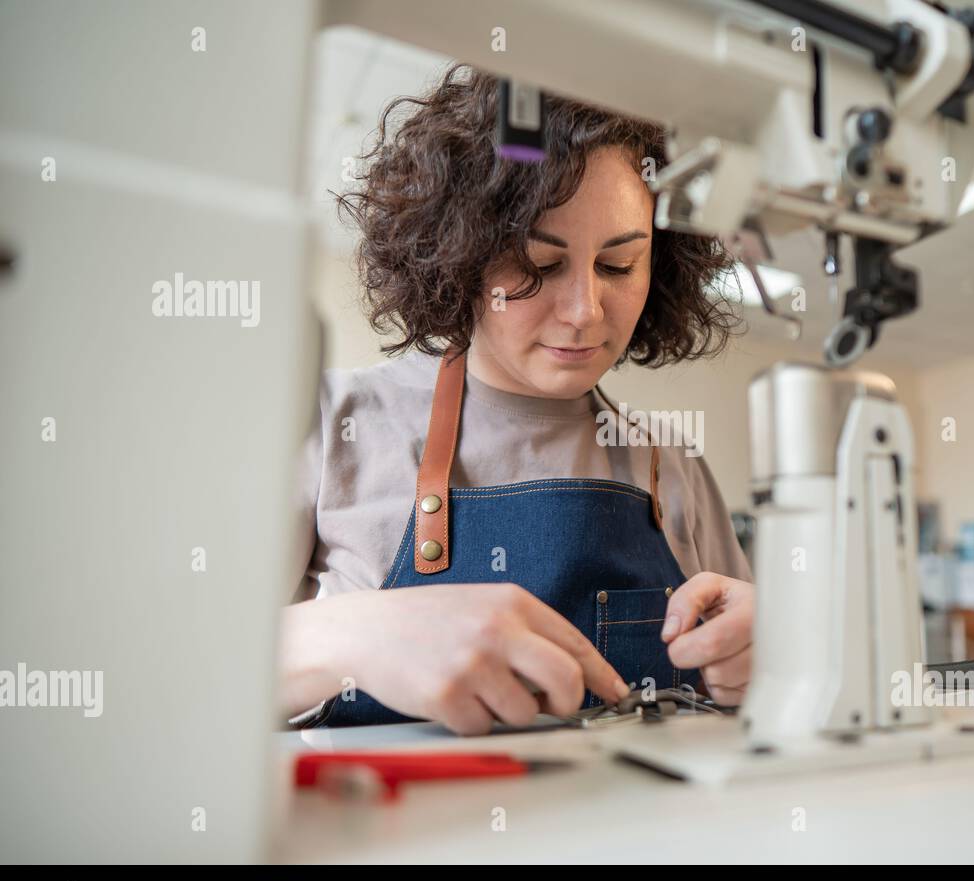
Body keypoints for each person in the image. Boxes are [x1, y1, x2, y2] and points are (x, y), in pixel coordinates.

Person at [279, 65, 755, 734]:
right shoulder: (335, 425)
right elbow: (186, 672)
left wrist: (763, 662)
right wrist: (351, 638)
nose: (585, 310)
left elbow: (746, 698)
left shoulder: (671, 464)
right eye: (539, 262)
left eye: (619, 265)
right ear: (461, 255)